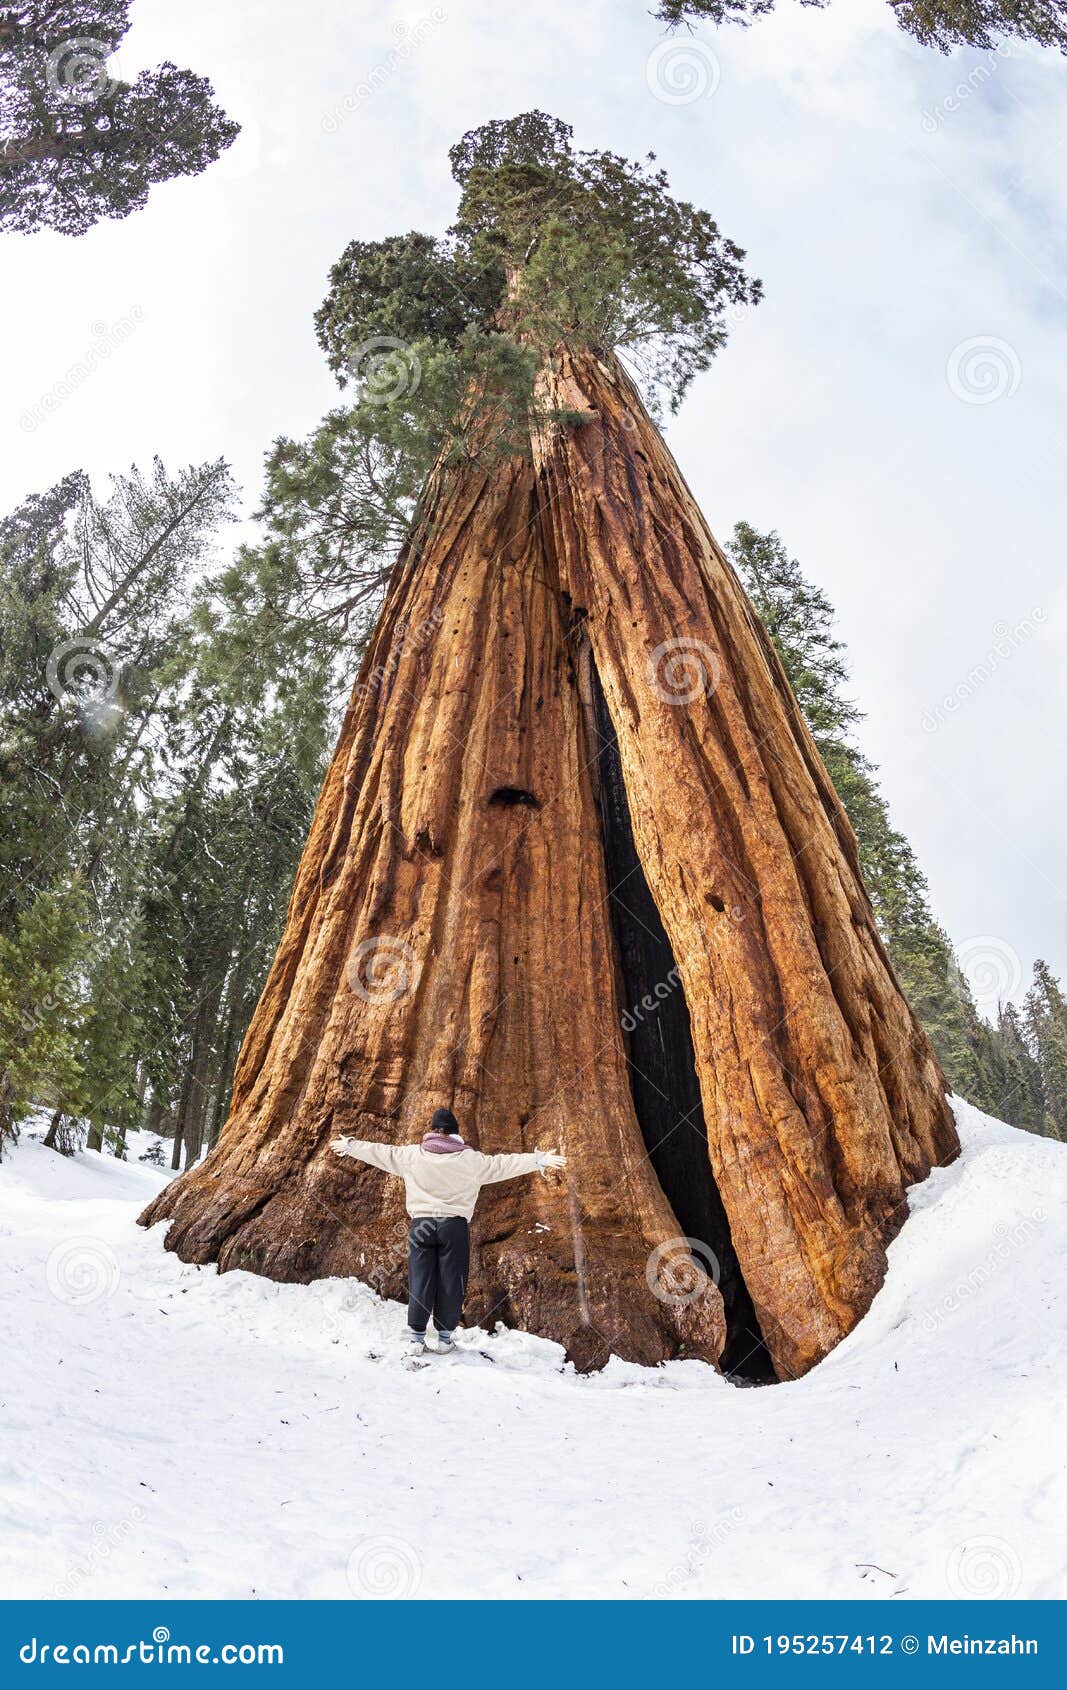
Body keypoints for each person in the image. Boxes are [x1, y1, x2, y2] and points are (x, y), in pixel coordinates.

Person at [331, 1107, 566, 1356]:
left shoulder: (412, 1155)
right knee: (451, 1281)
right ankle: (444, 1339)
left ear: (432, 1130)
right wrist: (537, 1159)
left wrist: (351, 1146)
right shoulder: (471, 1160)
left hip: (421, 1226)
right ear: (456, 1134)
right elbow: (503, 1164)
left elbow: (380, 1152)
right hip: (453, 1227)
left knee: (420, 1279)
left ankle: (416, 1339)